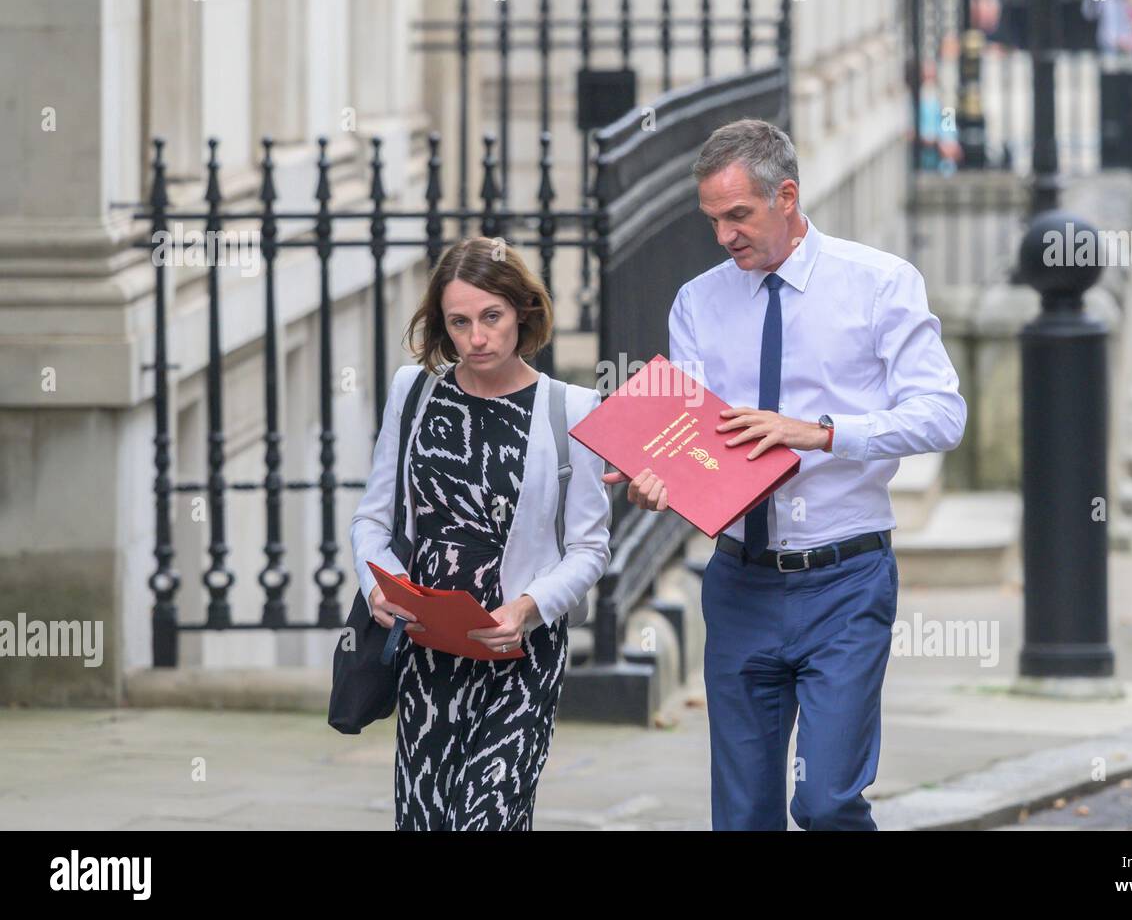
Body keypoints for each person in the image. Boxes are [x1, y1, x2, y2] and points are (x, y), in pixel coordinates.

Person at [604, 119, 966, 830]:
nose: (724, 236)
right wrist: (657, 477)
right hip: (740, 581)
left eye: (738, 215)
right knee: (742, 817)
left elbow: (942, 414)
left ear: (788, 196)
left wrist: (823, 432)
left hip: (846, 579)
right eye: (713, 220)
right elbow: (691, 441)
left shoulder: (879, 284)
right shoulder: (697, 302)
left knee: (827, 803)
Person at [350, 236, 612, 830]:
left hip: (520, 653)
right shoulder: (412, 393)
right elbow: (372, 519)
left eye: (492, 317)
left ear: (522, 309)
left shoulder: (572, 409)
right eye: (459, 322)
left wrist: (527, 607)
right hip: (428, 650)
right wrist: (378, 586)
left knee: (487, 819)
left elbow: (590, 548)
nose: (478, 338)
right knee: (425, 821)